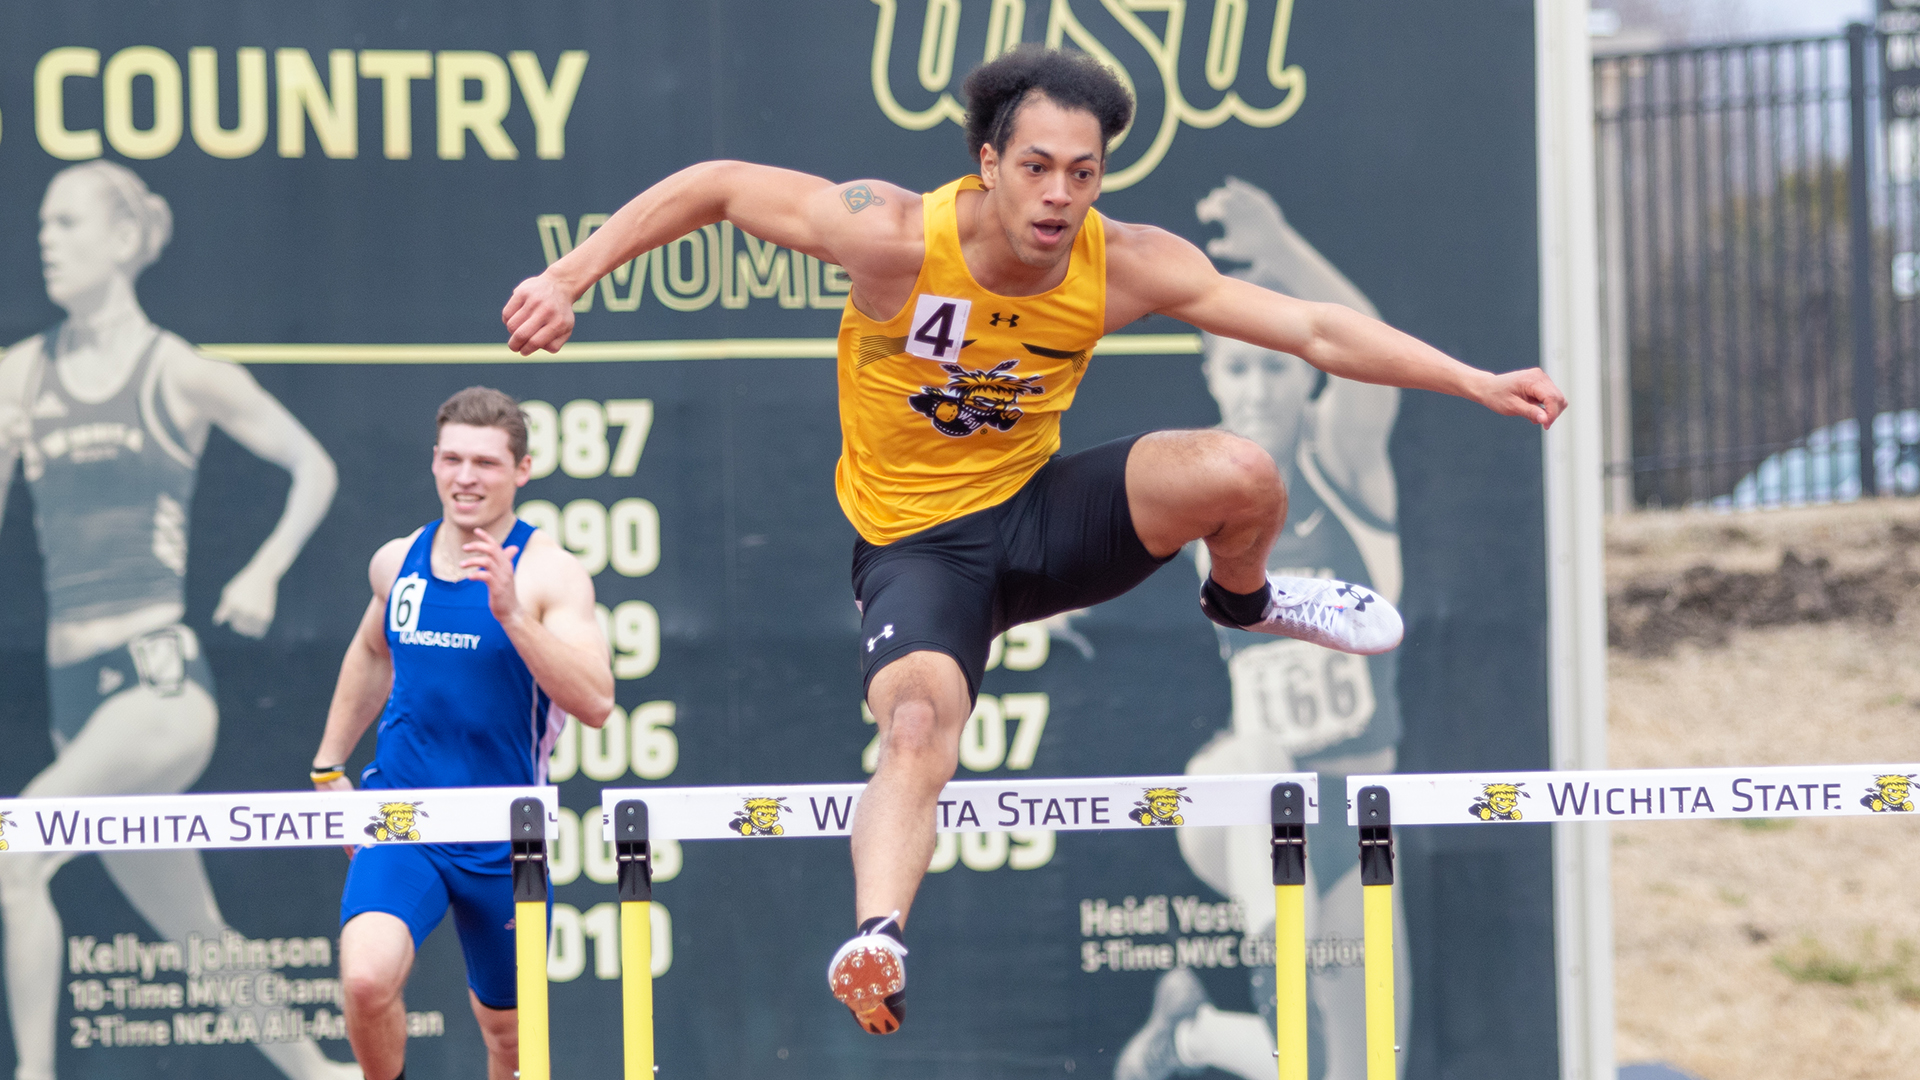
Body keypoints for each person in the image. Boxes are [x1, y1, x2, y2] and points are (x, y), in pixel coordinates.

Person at [500, 46, 1565, 1036]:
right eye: (1039, 168)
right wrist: (568, 276)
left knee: (1243, 473)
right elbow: (719, 183)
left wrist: (1472, 379)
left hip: (1040, 517)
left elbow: (1316, 331)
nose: (1061, 195)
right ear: (990, 165)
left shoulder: (1128, 263)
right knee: (918, 722)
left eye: (1085, 173)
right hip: (921, 550)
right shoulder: (892, 234)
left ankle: (1243, 599)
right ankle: (877, 936)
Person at [0, 161, 348, 1080]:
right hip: (76, 699)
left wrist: (264, 573)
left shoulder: (183, 372)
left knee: (17, 854)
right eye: (42, 223)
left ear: (122, 241)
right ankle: (322, 1075)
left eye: (68, 222)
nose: (47, 239)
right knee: (197, 933)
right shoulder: (16, 377)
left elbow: (313, 467)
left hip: (158, 691)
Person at [1116, 177, 1410, 1080]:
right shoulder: (1200, 485)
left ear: (1305, 374)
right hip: (1249, 807)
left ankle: (1192, 1036)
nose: (1253, 388)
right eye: (1235, 367)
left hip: (1356, 819)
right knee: (1251, 761)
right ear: (1210, 374)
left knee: (1349, 1072)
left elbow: (1375, 346)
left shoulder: (1341, 459)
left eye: (1272, 367)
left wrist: (1277, 244)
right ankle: (1264, 957)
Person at [309, 388, 612, 1080]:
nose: (465, 477)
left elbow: (596, 701)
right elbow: (371, 650)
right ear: (435, 463)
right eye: (451, 459)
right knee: (364, 981)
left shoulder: (549, 573)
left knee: (508, 1039)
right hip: (402, 817)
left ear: (522, 470)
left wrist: (513, 615)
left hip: (504, 836)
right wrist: (330, 765)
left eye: (485, 462)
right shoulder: (398, 561)